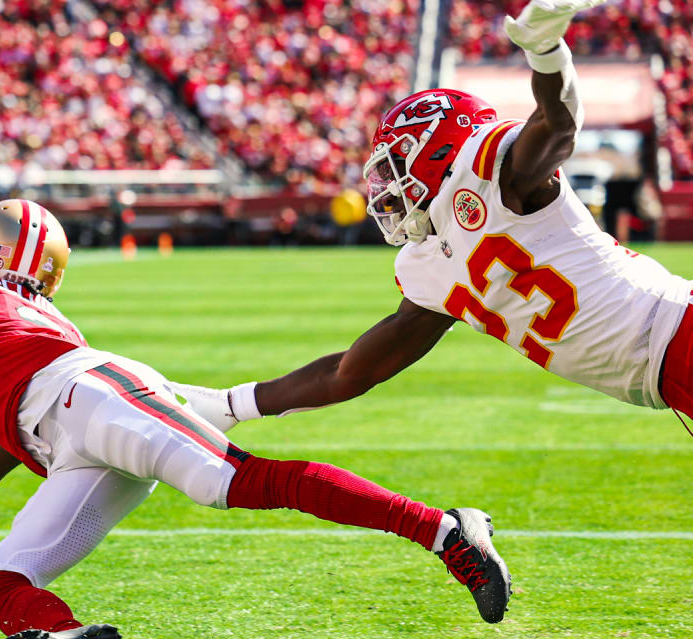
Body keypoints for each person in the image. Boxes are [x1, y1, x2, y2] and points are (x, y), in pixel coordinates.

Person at [0, 200, 513, 639]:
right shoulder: (38, 320)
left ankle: (448, 533)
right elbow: (1, 445)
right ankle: (58, 636)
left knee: (243, 482)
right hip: (71, 430)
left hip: (91, 400)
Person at [174, 0, 693, 434]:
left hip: (675, 330)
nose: (387, 187)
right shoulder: (430, 265)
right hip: (665, 363)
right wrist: (232, 406)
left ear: (439, 148)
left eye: (398, 162)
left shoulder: (492, 172)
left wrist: (546, 51)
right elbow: (350, 372)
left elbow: (557, 127)